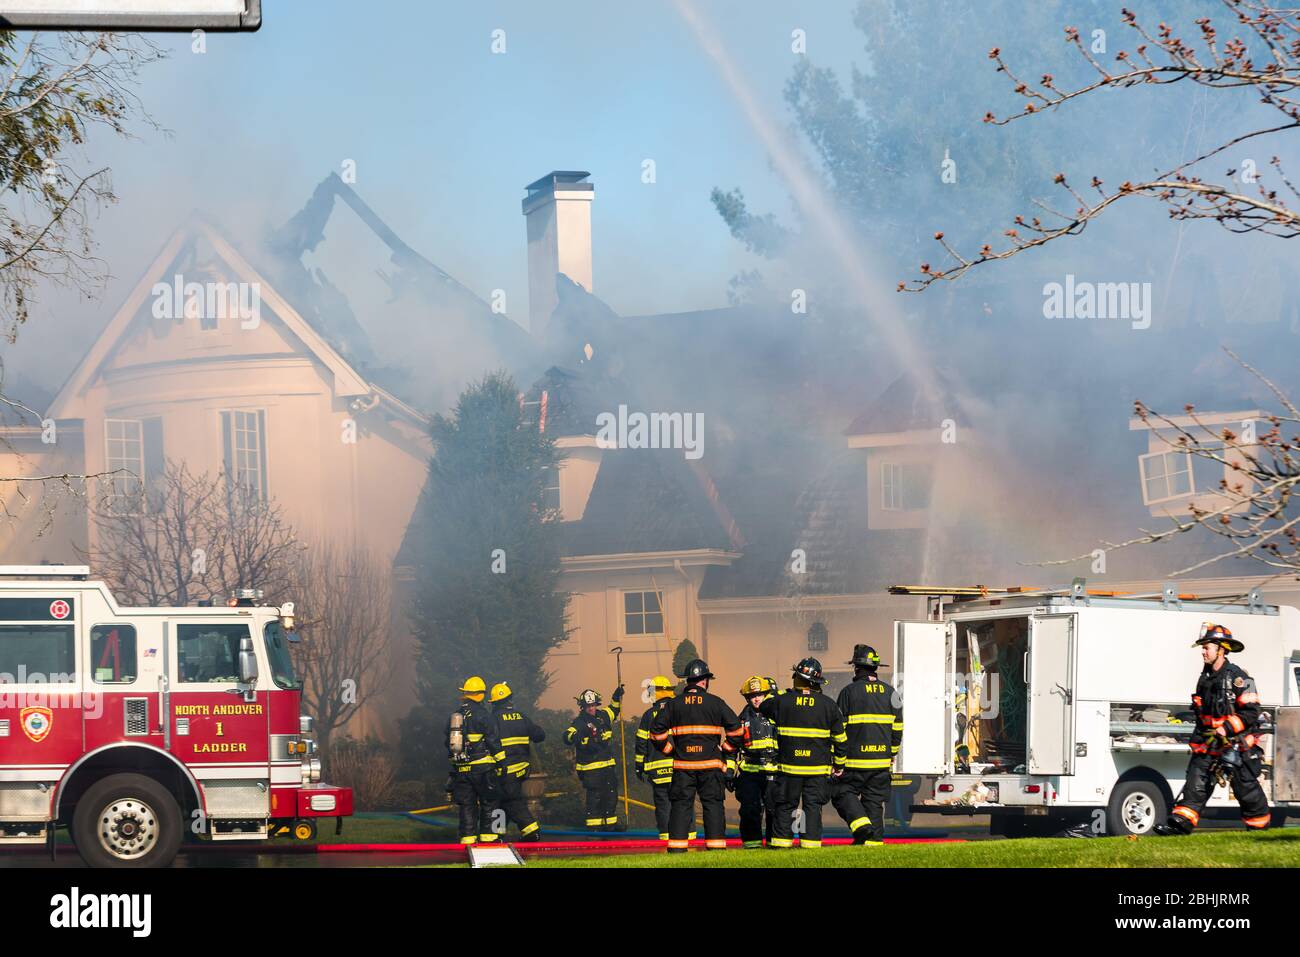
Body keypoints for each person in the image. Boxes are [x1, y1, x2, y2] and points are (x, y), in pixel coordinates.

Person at [1154, 623, 1270, 835]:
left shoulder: (1240, 678)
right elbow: (1203, 716)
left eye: (1207, 647)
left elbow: (1252, 711)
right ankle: (1180, 824)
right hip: (1210, 745)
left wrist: (1227, 728)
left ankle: (1260, 830)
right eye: (1203, 648)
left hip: (1237, 746)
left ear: (1221, 649)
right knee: (1196, 783)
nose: (1203, 652)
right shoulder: (1204, 679)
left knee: (1246, 790)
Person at [649, 658, 744, 852]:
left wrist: (670, 751)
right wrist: (724, 749)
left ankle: (676, 850)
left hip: (683, 767)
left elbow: (655, 733)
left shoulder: (674, 704)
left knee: (681, 807)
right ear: (705, 681)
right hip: (711, 766)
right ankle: (716, 850)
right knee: (713, 805)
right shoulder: (716, 703)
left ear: (688, 680)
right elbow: (737, 731)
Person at [760, 657, 847, 849]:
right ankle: (810, 844)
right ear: (816, 682)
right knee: (813, 807)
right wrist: (839, 765)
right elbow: (840, 740)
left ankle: (781, 844)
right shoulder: (829, 705)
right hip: (816, 770)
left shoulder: (782, 701)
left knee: (785, 806)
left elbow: (763, 706)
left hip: (789, 768)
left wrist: (783, 693)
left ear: (796, 678)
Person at [831, 644, 903, 845]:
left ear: (856, 667)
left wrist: (837, 761)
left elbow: (839, 731)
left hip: (854, 763)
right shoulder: (892, 693)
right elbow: (898, 730)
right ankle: (873, 842)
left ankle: (861, 827)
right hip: (880, 763)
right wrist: (891, 754)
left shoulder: (848, 693)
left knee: (840, 792)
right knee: (873, 802)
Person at [445, 675, 503, 845]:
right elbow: (493, 741)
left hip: (461, 770)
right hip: (482, 769)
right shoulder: (484, 715)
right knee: (490, 802)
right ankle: (490, 838)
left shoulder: (455, 715)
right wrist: (501, 764)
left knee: (467, 805)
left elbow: (445, 741)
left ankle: (467, 839)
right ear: (481, 695)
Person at [489, 681, 545, 842]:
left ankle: (532, 832)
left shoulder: (493, 719)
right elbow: (540, 735)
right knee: (499, 801)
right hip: (521, 768)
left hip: (505, 770)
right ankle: (496, 835)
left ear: (494, 703)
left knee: (512, 801)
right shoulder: (521, 716)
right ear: (509, 699)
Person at [635, 675, 690, 841]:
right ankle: (689, 838)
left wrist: (639, 765)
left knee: (663, 805)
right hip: (678, 767)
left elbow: (641, 742)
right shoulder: (679, 710)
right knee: (683, 802)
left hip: (657, 770)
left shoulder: (648, 715)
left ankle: (666, 839)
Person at [564, 685, 625, 831]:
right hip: (590, 767)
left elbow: (614, 710)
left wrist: (616, 697)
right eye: (588, 706)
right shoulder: (580, 722)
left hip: (607, 765)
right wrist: (585, 739)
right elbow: (567, 736)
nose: (591, 708)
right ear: (583, 707)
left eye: (593, 705)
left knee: (611, 794)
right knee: (595, 796)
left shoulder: (603, 716)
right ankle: (594, 827)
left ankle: (610, 824)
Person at [735, 675, 780, 848]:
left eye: (760, 694)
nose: (756, 698)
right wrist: (731, 772)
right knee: (750, 810)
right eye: (752, 696)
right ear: (747, 697)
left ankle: (774, 843)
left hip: (774, 770)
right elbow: (733, 747)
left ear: (766, 694)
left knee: (774, 810)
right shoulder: (742, 718)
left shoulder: (778, 714)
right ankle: (752, 845)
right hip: (750, 772)